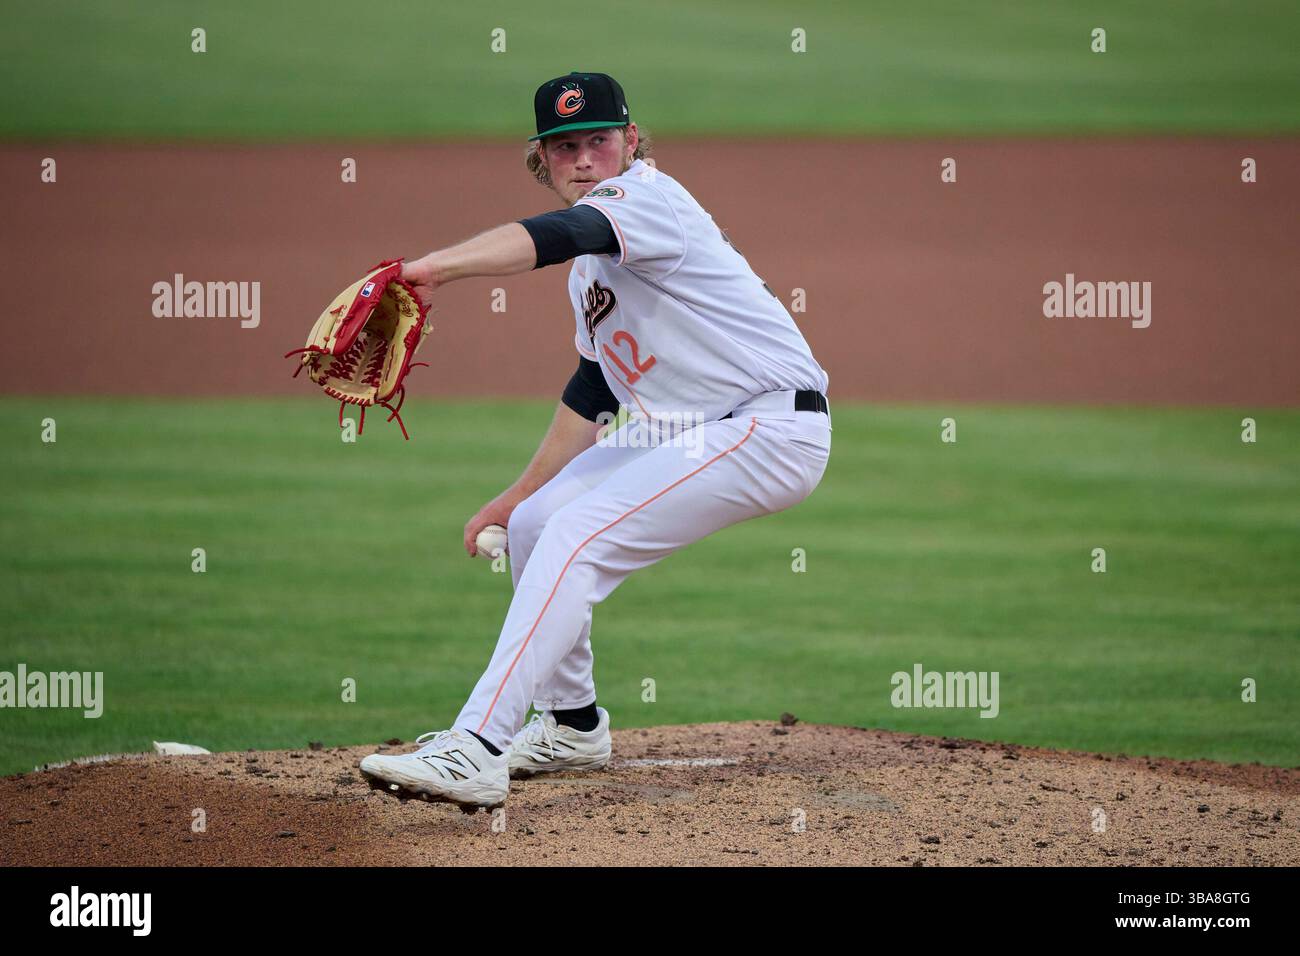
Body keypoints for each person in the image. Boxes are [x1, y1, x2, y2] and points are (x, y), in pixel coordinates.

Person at [359, 72, 831, 810]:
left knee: (578, 534)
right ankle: (573, 726)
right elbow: (596, 390)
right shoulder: (591, 277)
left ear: (631, 142)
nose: (584, 159)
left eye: (599, 142)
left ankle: (478, 745)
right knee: (540, 523)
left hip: (773, 428)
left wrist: (432, 270)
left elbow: (560, 233)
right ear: (541, 160)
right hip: (697, 429)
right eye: (565, 147)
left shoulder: (647, 199)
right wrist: (517, 497)